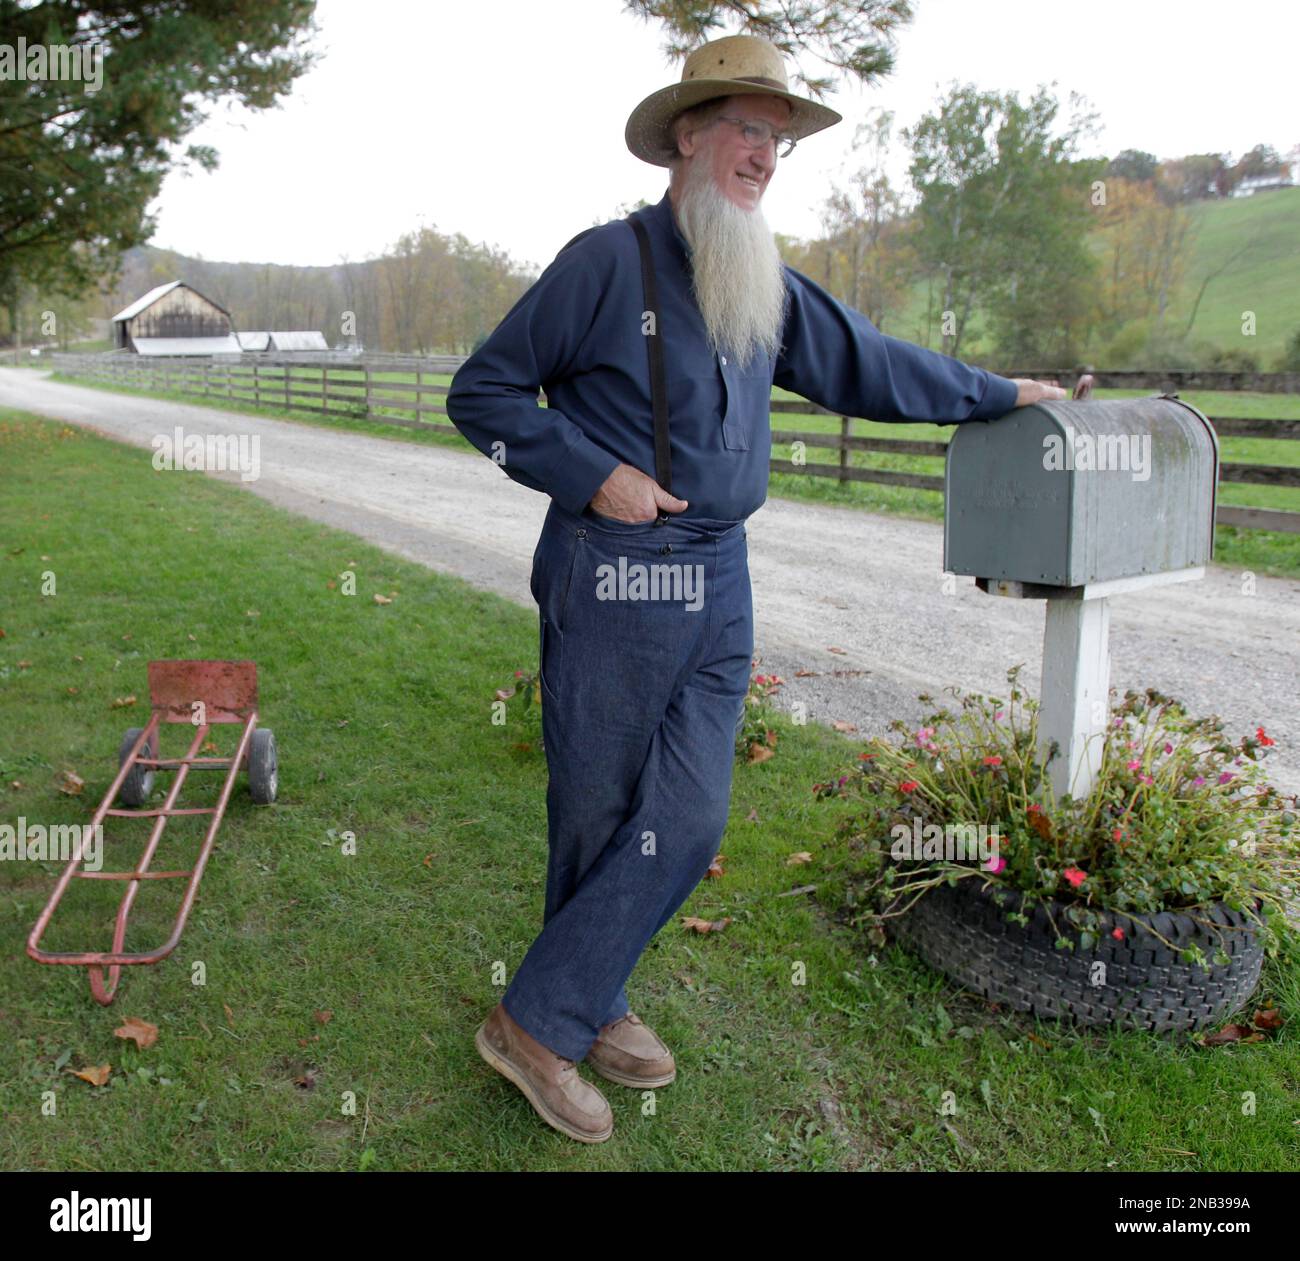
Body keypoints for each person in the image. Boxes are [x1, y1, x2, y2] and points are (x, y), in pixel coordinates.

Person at [447, 32, 1066, 1144]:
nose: (765, 155)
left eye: (779, 139)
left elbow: (869, 361)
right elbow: (480, 395)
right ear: (687, 135)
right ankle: (566, 1016)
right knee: (599, 812)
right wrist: (591, 475)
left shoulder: (755, 278)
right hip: (618, 570)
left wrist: (995, 393)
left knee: (689, 815)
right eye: (746, 128)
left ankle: (549, 1008)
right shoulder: (606, 263)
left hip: (722, 575)